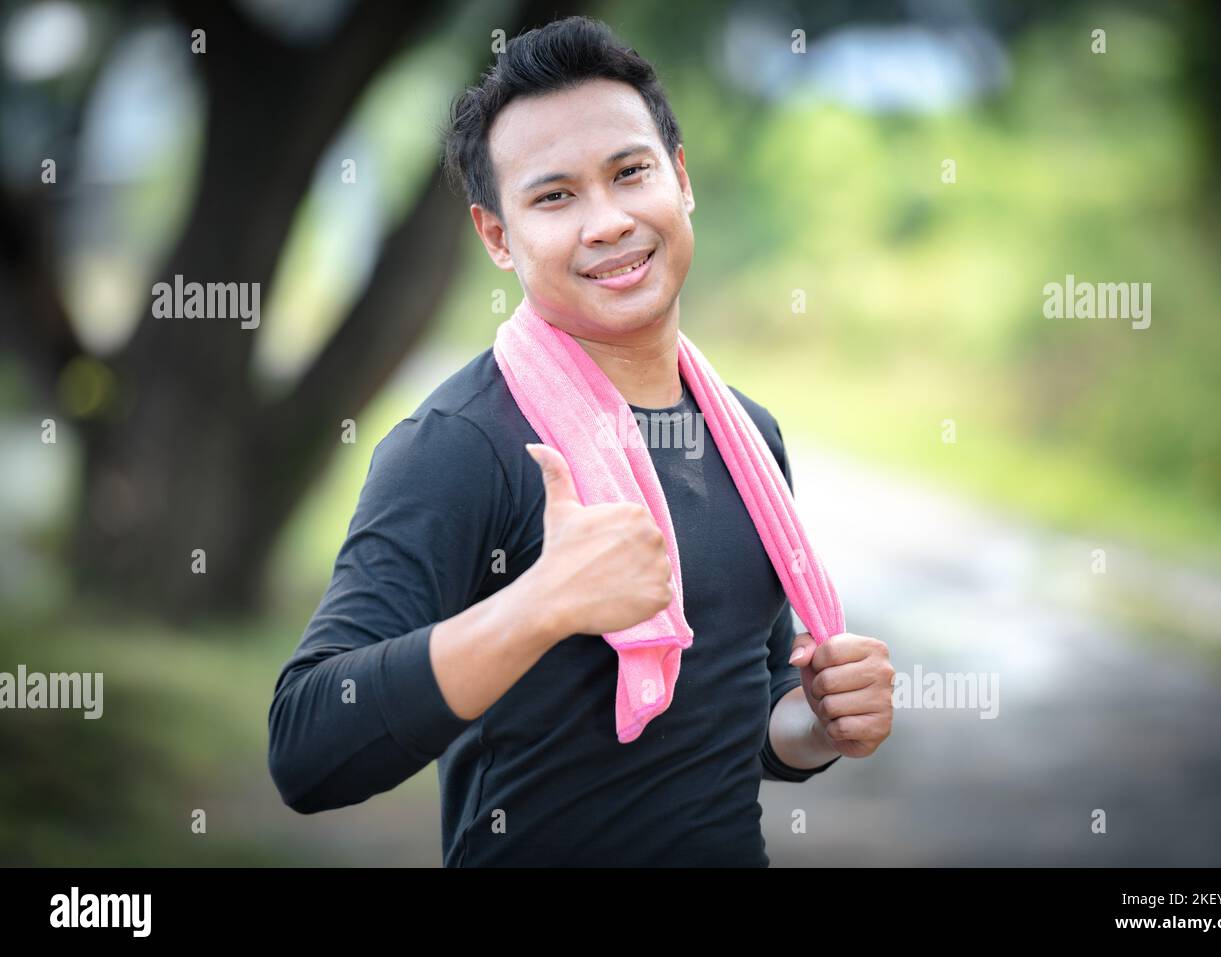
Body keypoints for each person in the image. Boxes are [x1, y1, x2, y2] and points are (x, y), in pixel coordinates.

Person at [267, 15, 893, 867]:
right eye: (554, 196)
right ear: (497, 235)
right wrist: (538, 605)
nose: (606, 222)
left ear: (679, 180)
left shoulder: (749, 433)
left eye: (630, 173)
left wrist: (817, 723)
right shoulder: (461, 445)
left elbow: (742, 714)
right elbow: (306, 746)